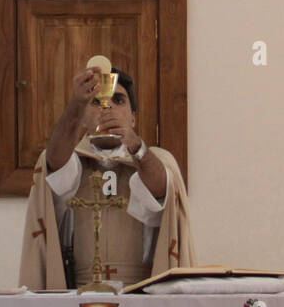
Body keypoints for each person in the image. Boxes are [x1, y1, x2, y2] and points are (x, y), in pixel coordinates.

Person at [19, 64, 196, 290]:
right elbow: (54, 163)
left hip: (142, 292)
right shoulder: (68, 158)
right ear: (83, 117)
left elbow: (160, 189)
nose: (107, 107)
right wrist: (76, 104)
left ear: (132, 118)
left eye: (118, 100)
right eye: (96, 101)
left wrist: (135, 146)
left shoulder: (156, 161)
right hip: (78, 292)